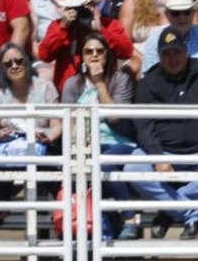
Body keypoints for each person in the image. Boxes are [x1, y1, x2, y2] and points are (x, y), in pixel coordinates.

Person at [124, 26, 198, 239]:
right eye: (167, 53)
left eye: (176, 52)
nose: (172, 58)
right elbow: (143, 124)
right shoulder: (148, 82)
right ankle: (190, 214)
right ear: (159, 56)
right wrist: (156, 156)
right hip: (163, 153)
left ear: (186, 51)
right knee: (133, 167)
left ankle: (168, 210)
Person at [60, 31, 140, 238]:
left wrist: (99, 83)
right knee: (70, 171)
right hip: (84, 144)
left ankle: (130, 217)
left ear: (107, 55)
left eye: (99, 51)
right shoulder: (72, 84)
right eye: (89, 52)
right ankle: (82, 226)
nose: (94, 55)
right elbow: (67, 122)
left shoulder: (121, 79)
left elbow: (115, 117)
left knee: (103, 163)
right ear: (82, 57)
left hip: (117, 141)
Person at [0, 41, 61, 231]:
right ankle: (3, 205)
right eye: (8, 64)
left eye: (19, 61)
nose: (14, 66)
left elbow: (57, 125)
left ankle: (60, 217)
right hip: (8, 147)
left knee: (47, 163)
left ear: (26, 62)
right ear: (2, 68)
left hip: (42, 145)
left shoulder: (46, 87)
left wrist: (49, 137)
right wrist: (0, 135)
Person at [37, 0, 133, 92]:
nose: (80, 12)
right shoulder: (58, 26)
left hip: (104, 88)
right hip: (69, 91)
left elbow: (126, 52)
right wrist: (63, 27)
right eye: (75, 8)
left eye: (84, 8)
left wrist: (101, 29)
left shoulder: (109, 25)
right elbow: (44, 55)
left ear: (94, 5)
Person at [117, 0, 182, 65]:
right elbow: (124, 41)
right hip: (139, 60)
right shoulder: (132, 0)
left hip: (175, 61)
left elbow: (194, 35)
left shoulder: (182, 0)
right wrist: (145, 61)